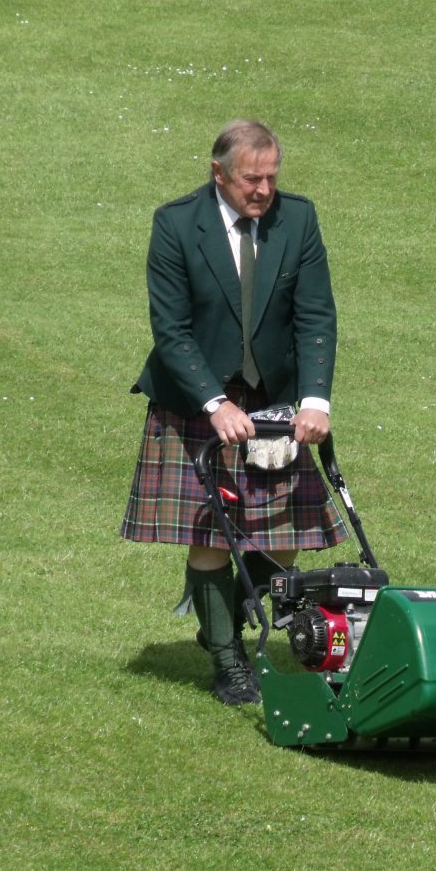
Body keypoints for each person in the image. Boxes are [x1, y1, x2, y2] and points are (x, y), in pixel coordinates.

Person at [121, 119, 347, 705]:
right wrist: (214, 402)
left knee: (285, 540)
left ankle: (227, 607)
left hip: (273, 398)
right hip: (197, 400)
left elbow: (316, 315)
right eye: (252, 179)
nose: (264, 190)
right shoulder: (176, 224)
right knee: (212, 538)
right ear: (218, 173)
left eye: (272, 177)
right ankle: (228, 662)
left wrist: (315, 400)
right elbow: (171, 329)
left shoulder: (298, 219)